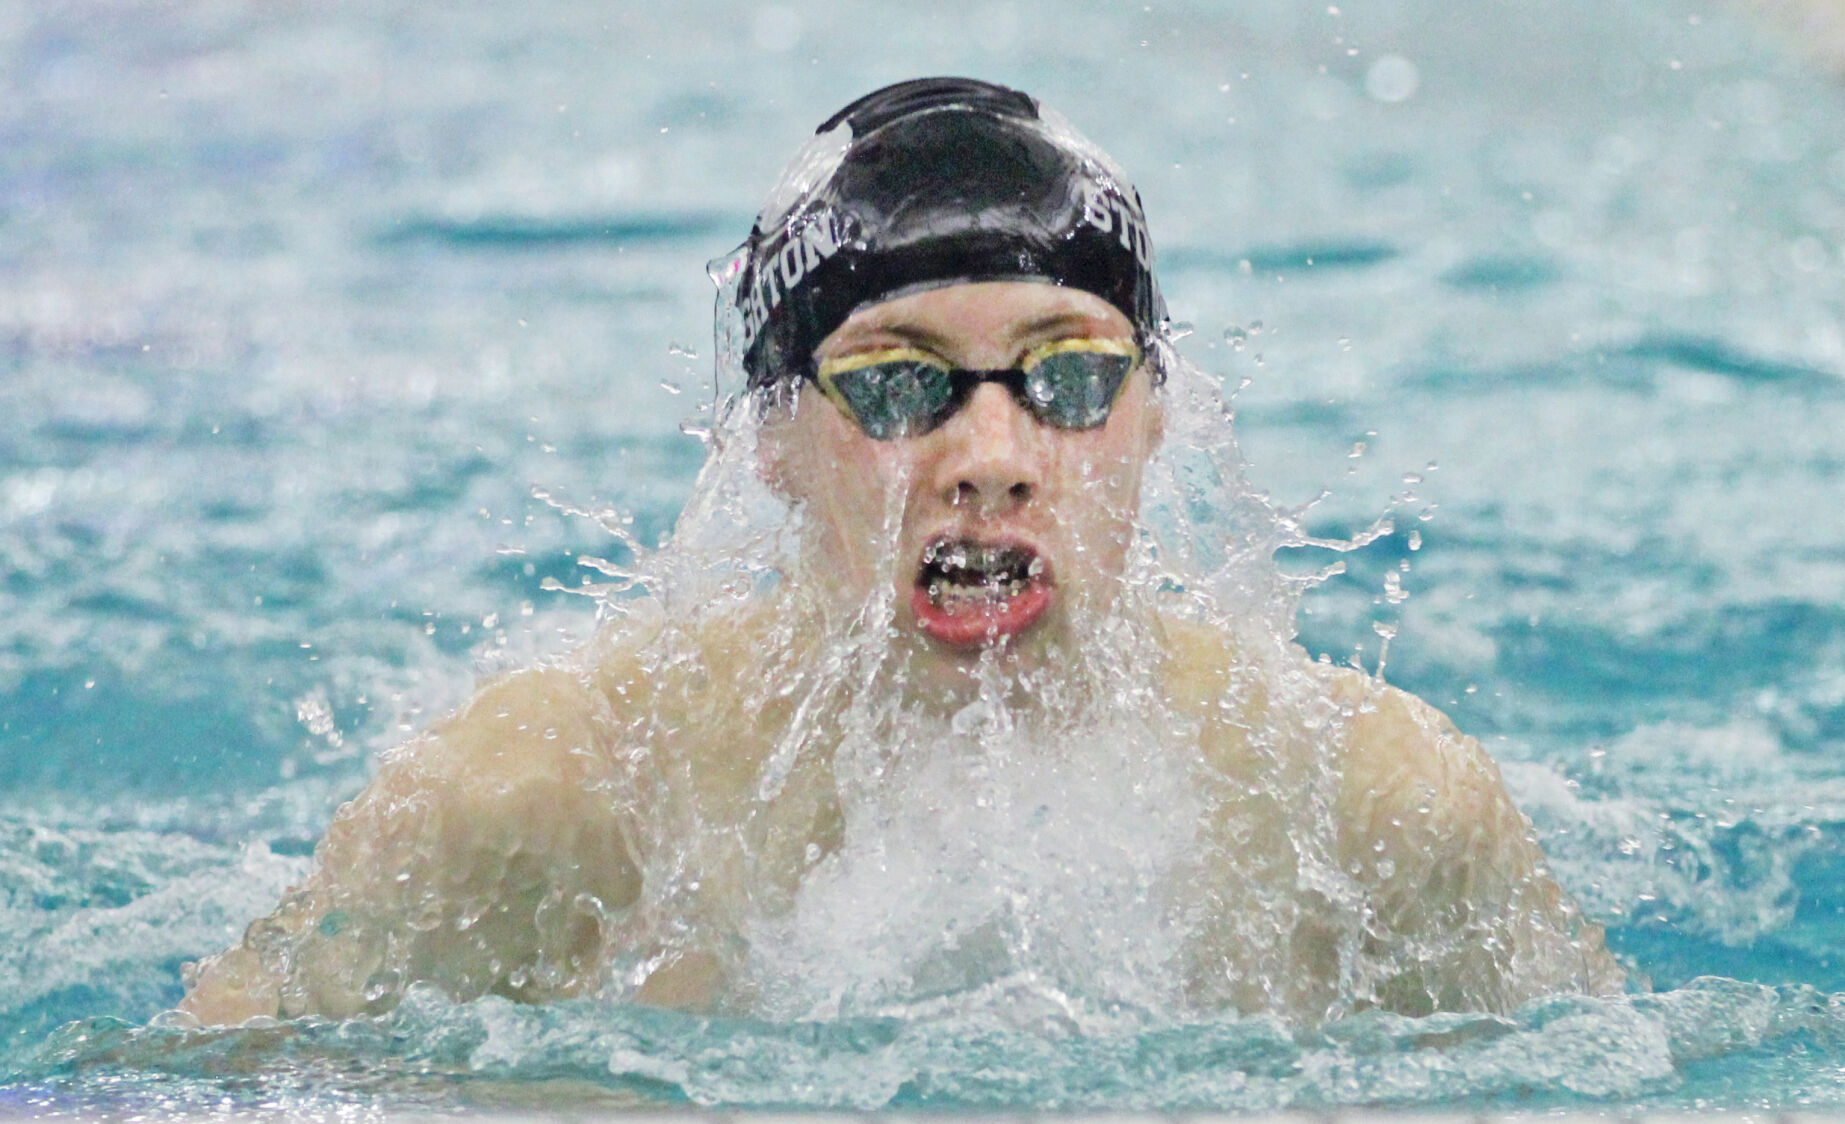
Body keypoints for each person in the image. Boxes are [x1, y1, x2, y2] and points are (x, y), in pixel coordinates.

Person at [178, 78, 1623, 1026]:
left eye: (1067, 377)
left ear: (1155, 419)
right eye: (894, 383)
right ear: (771, 443)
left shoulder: (1370, 807)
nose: (990, 455)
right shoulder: (548, 797)